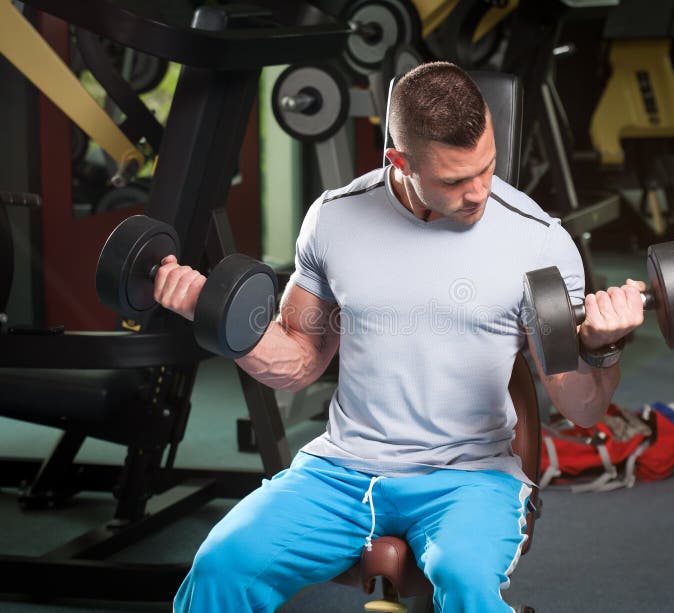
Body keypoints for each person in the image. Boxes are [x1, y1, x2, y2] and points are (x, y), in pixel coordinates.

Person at [156, 62, 645, 613]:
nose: (478, 193)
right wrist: (211, 312)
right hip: (342, 470)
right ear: (400, 161)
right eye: (454, 181)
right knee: (222, 566)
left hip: (468, 477)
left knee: (465, 582)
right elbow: (297, 362)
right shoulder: (334, 219)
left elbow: (579, 409)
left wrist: (601, 348)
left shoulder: (539, 244)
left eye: (486, 167)